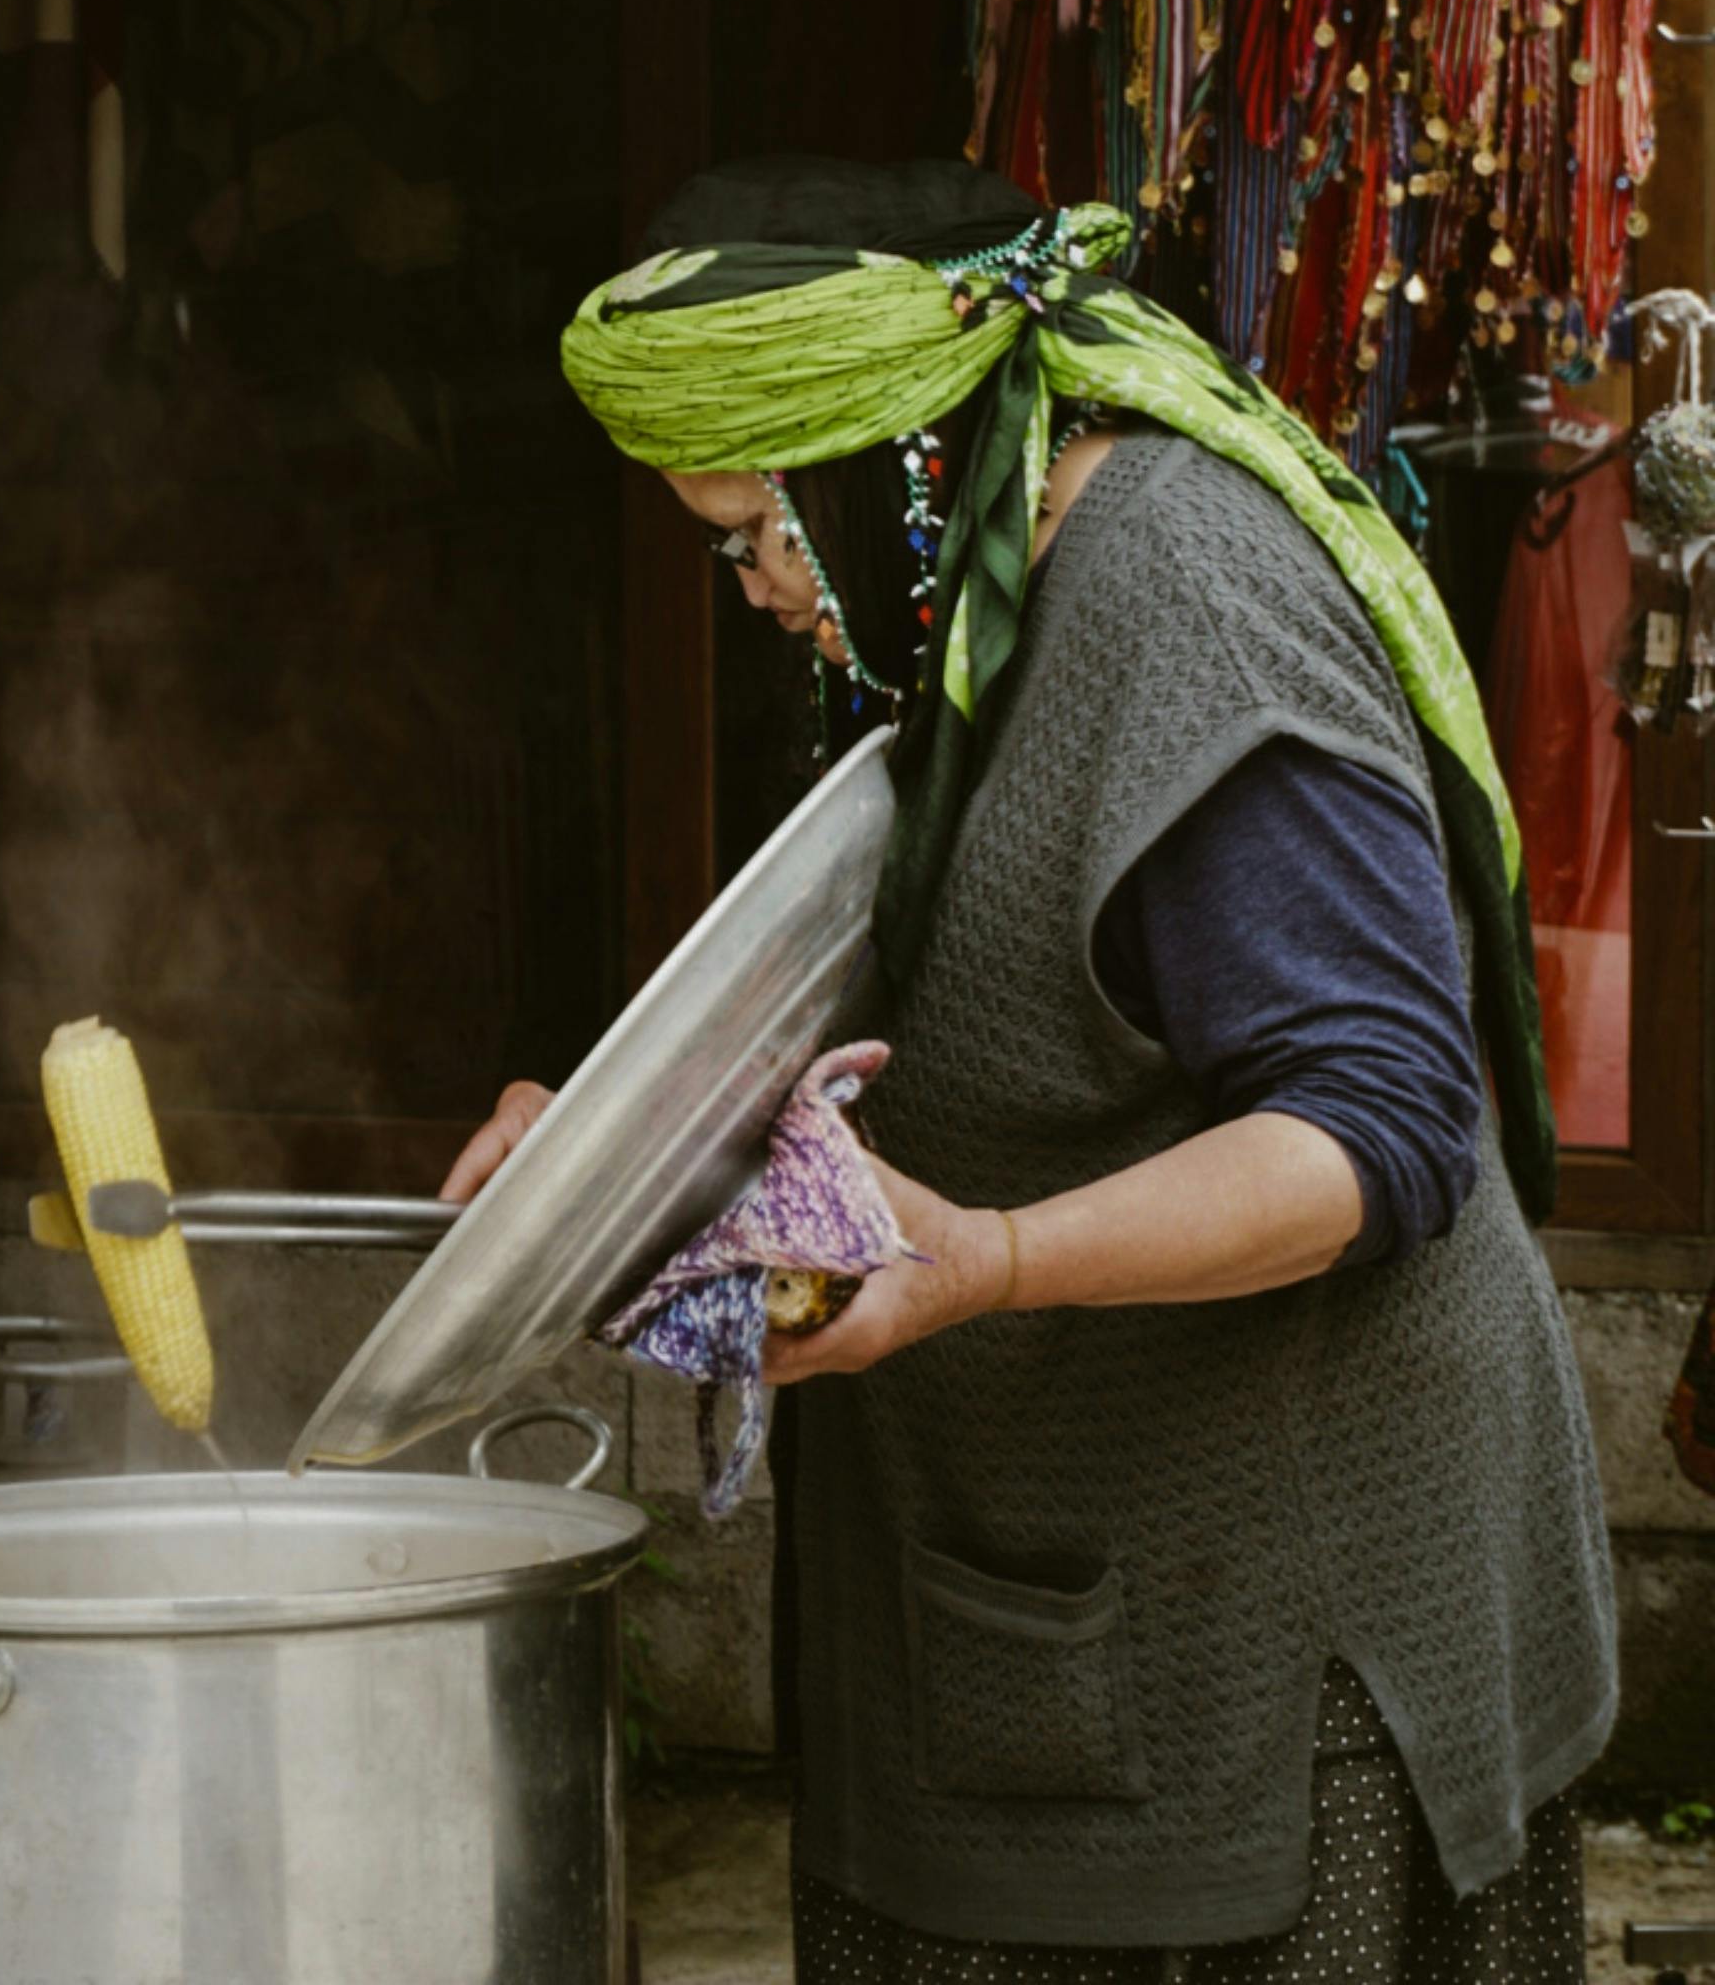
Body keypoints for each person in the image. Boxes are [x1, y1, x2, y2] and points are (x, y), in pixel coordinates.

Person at [447, 157, 1615, 1982]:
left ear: (893, 450)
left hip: (1280, 1645)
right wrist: (619, 1152)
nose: (752, 587)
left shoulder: (1187, 606)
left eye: (757, 531)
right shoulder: (956, 584)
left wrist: (986, 1261)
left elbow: (1377, 1130)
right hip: (1039, 1612)